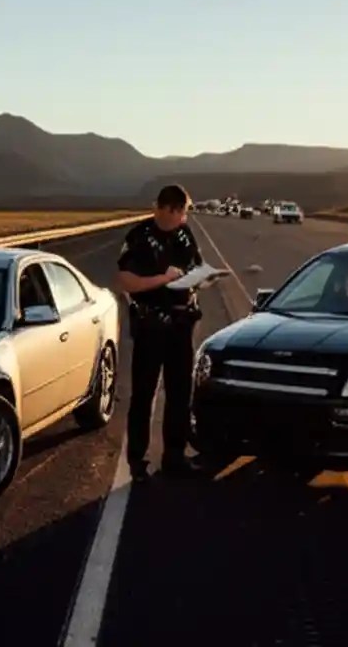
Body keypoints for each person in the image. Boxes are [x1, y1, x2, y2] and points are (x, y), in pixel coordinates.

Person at [116, 184, 207, 481]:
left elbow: (195, 266)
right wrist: (162, 279)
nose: (184, 217)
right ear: (170, 209)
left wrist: (201, 279)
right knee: (144, 394)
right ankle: (138, 460)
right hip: (151, 326)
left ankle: (175, 455)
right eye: (182, 212)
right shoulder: (139, 237)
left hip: (181, 327)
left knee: (180, 392)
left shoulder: (185, 235)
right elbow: (127, 281)